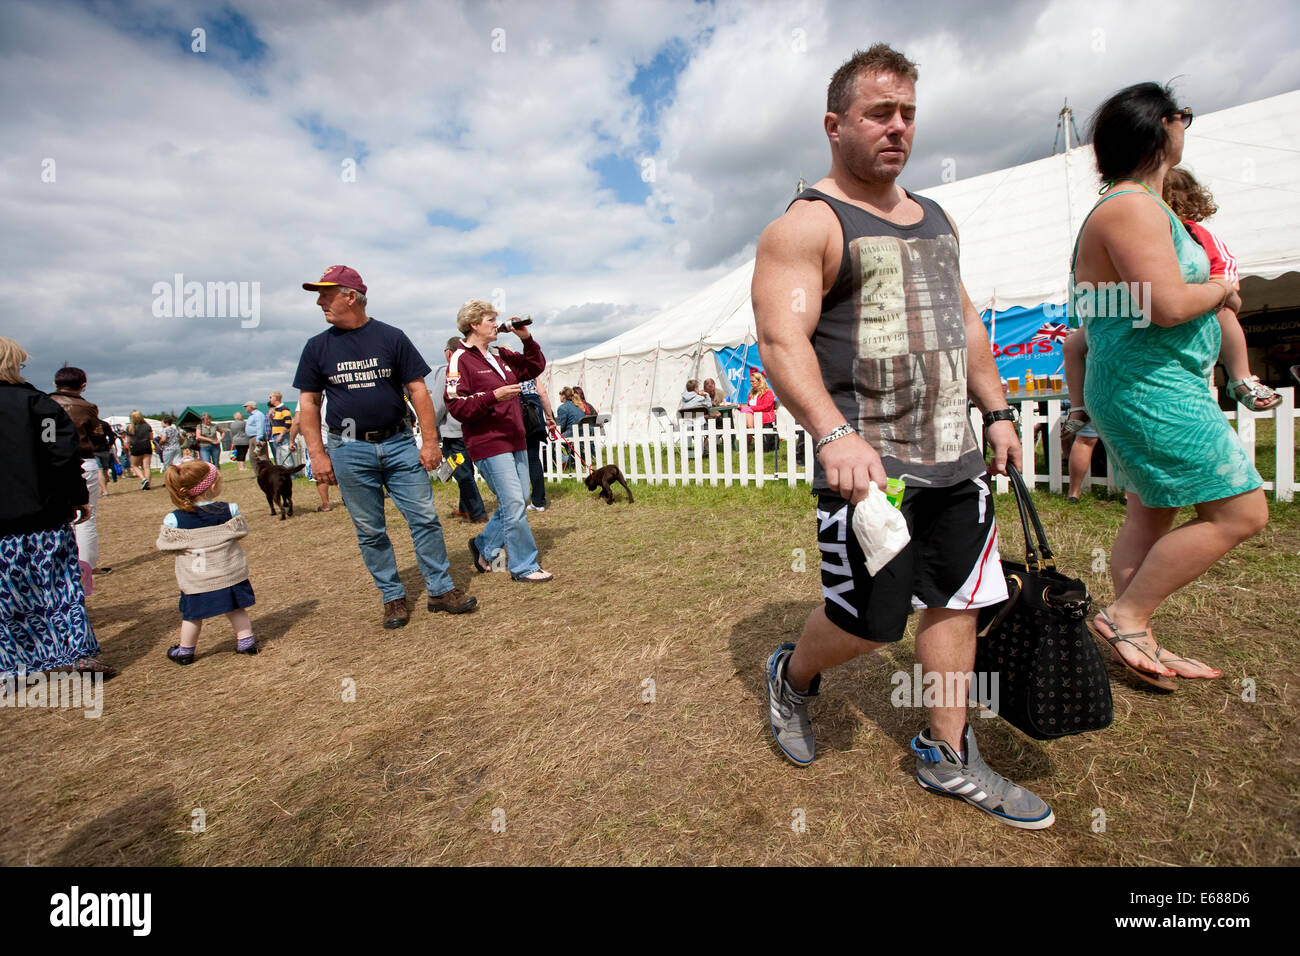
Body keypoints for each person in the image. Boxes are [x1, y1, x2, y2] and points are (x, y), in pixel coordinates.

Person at [753, 46, 1051, 829]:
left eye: (909, 114)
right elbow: (782, 344)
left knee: (958, 601)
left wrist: (996, 411)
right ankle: (792, 673)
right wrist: (835, 434)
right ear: (835, 124)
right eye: (879, 113)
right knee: (868, 622)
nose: (898, 128)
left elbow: (967, 328)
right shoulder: (806, 225)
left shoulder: (938, 218)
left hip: (955, 456)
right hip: (869, 471)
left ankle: (946, 754)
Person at [1068, 83, 1268, 688]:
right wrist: (1223, 291)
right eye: (1183, 116)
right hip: (1150, 387)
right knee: (1241, 511)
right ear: (1161, 126)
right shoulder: (1129, 207)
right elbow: (1168, 304)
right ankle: (1126, 615)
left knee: (1151, 512)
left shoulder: (1142, 207)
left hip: (1150, 381)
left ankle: (1138, 633)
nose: (1187, 126)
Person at [294, 264, 478, 627]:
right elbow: (309, 403)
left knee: (424, 518)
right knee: (370, 529)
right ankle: (392, 596)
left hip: (398, 444)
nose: (319, 302)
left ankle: (440, 589)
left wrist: (429, 441)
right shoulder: (317, 347)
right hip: (348, 449)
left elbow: (418, 391)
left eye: (326, 295)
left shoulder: (391, 337)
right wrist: (317, 454)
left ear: (351, 297)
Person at [0, 338, 114, 678]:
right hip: (43, 515)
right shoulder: (38, 407)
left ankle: (10, 666)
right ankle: (77, 654)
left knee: (5, 593)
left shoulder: (41, 405)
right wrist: (77, 497)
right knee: (59, 585)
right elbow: (60, 456)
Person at [446, 298, 553, 583]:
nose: (496, 324)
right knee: (515, 503)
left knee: (517, 501)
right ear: (473, 324)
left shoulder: (501, 353)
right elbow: (456, 406)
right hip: (488, 442)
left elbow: (534, 366)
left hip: (516, 437)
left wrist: (526, 338)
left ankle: (483, 546)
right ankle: (524, 566)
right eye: (490, 320)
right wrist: (493, 396)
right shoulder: (461, 358)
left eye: (496, 319)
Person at [156, 460, 258, 663]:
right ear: (212, 487)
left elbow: (164, 544)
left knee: (192, 616)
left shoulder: (174, 520)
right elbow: (240, 532)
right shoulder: (230, 510)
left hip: (196, 580)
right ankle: (246, 642)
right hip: (228, 573)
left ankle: (185, 651)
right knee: (236, 609)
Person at [49, 366, 108, 578]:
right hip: (83, 461)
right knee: (87, 517)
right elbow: (97, 436)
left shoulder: (43, 403)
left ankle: (63, 565)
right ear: (83, 385)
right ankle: (88, 566)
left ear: (55, 383)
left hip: (51, 464)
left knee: (57, 517)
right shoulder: (88, 407)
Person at [431, 336, 488, 523]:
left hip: (454, 433)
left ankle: (477, 512)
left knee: (462, 473)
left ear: (449, 353)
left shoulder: (445, 370)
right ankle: (465, 508)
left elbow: (439, 405)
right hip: (472, 429)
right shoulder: (474, 368)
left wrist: (430, 424)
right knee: (466, 470)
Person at [288, 401, 333, 511]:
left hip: (317, 442)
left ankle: (326, 504)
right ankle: (347, 499)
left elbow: (297, 421)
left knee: (321, 476)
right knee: (340, 472)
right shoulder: (334, 391)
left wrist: (291, 440)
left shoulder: (307, 396)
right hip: (337, 439)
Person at [519, 377, 554, 512]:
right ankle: (538, 501)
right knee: (533, 459)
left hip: (515, 414)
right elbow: (543, 394)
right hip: (533, 415)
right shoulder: (531, 375)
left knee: (515, 460)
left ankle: (517, 501)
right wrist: (549, 417)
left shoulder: (506, 371)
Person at [125, 410, 153, 490]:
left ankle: (143, 479)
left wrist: (129, 449)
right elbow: (151, 437)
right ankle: (148, 484)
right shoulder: (147, 426)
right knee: (147, 466)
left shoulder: (130, 427)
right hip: (147, 446)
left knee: (134, 465)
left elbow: (128, 441)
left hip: (136, 447)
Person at [268, 392, 294, 465]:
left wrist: (281, 435)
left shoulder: (284, 409)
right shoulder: (276, 410)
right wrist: (270, 416)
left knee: (285, 455)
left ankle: (291, 475)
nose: (270, 399)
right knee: (279, 457)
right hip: (276, 435)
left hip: (282, 435)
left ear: (275, 398)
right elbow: (273, 424)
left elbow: (288, 423)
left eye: (271, 397)